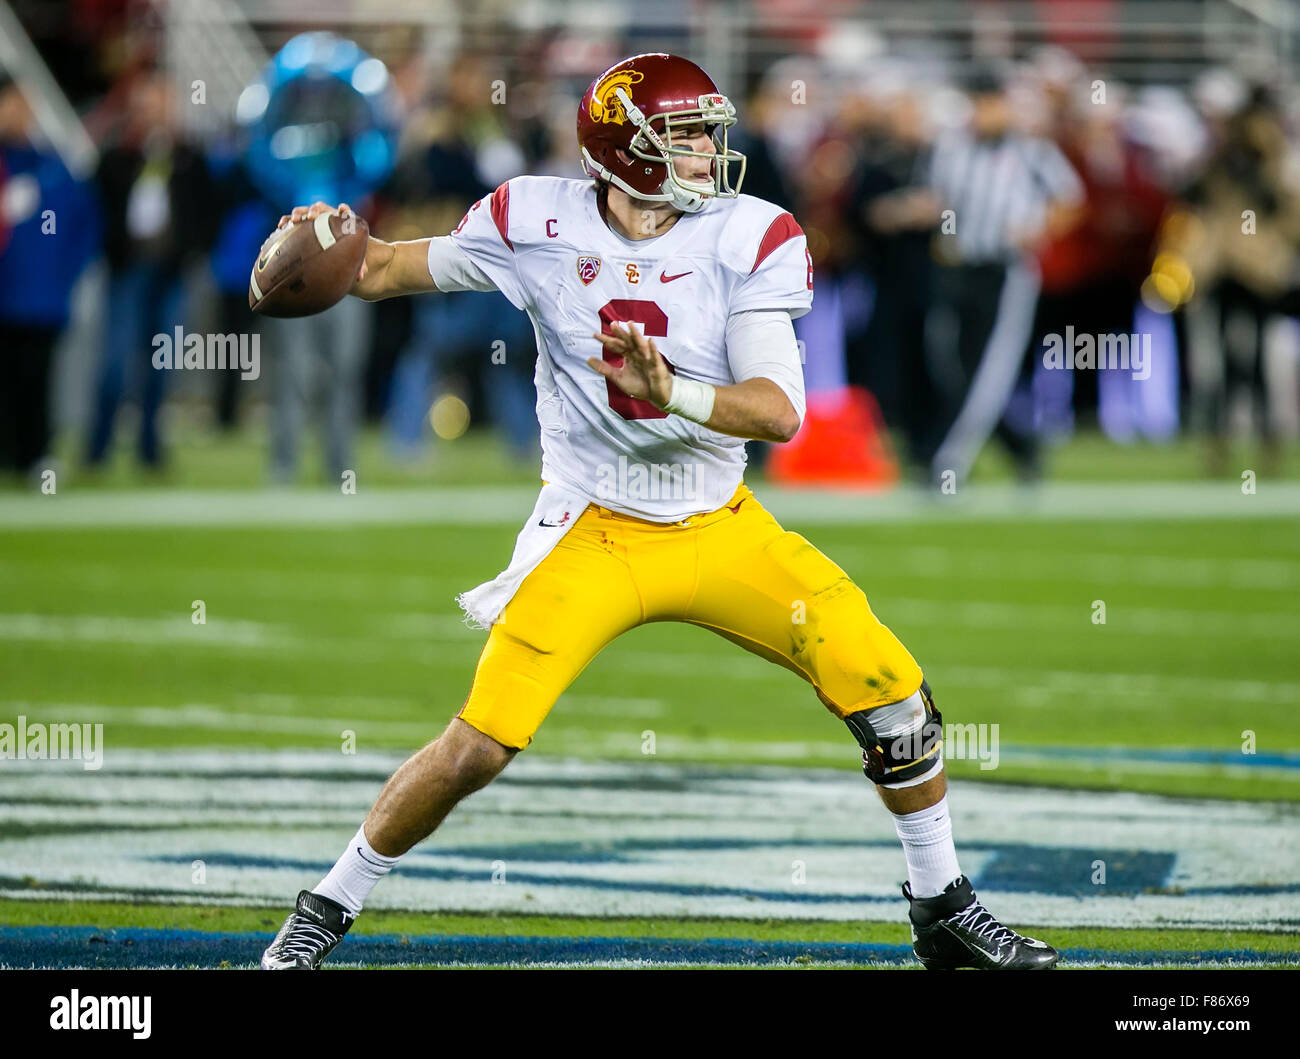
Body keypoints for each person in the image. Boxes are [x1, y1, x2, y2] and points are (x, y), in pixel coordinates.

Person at [259, 53, 1058, 972]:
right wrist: (334, 237)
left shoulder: (750, 234)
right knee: (478, 744)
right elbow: (388, 270)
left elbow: (780, 410)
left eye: (707, 133)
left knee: (892, 691)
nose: (707, 152)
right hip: (593, 524)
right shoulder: (535, 218)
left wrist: (670, 389)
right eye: (683, 135)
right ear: (624, 149)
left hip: (721, 521)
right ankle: (328, 902)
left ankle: (943, 906)